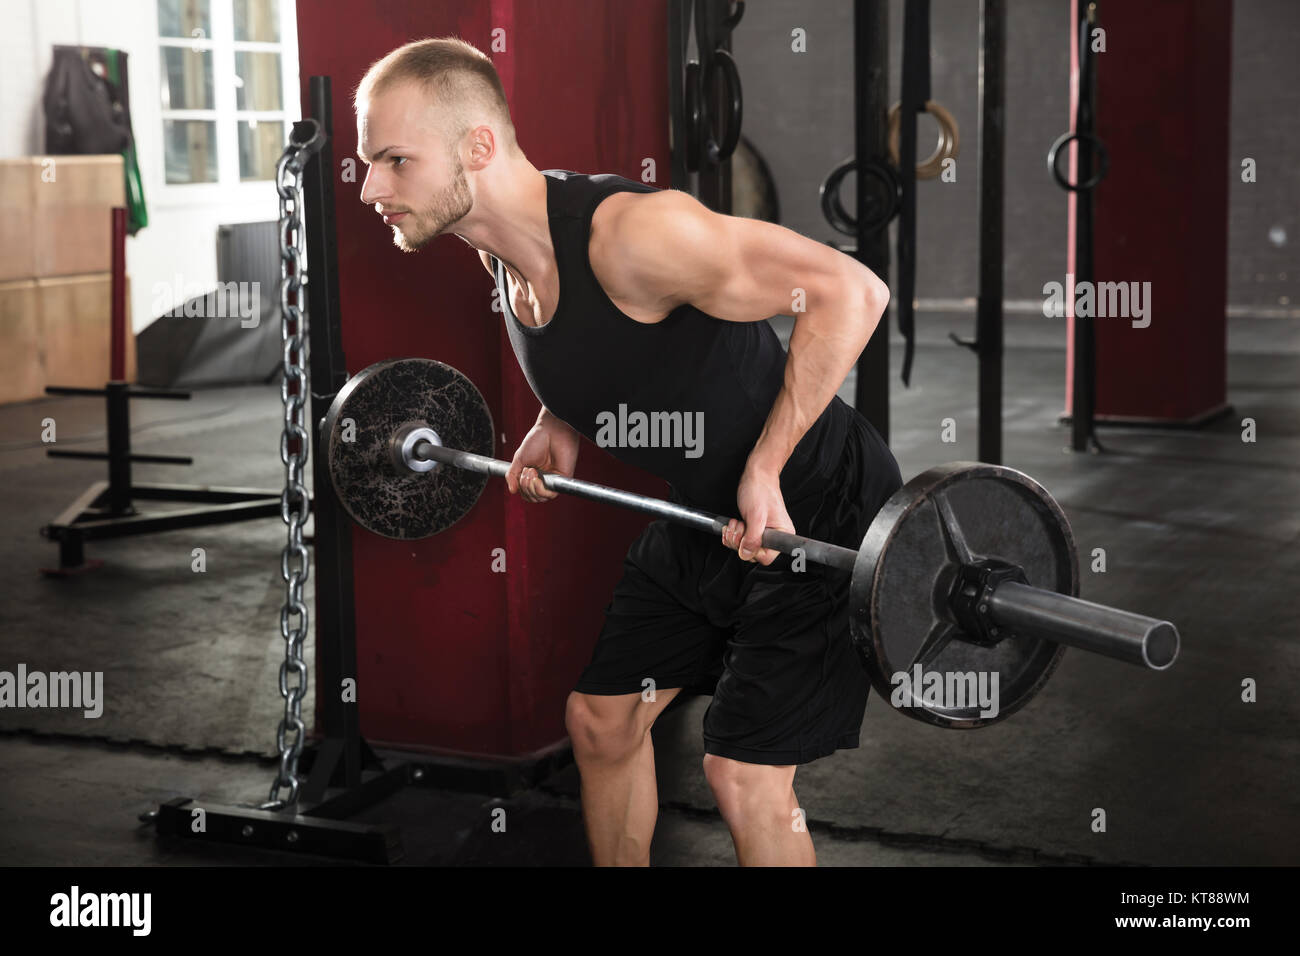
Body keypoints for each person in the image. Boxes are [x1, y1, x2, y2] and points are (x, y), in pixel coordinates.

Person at [354, 37, 902, 866]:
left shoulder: (636, 236)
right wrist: (560, 418)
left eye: (395, 160)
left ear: (478, 147)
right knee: (602, 722)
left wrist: (764, 469)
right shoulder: (496, 245)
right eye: (371, 162)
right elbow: (600, 340)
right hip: (704, 511)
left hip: (818, 505)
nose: (370, 187)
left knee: (743, 777)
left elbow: (851, 291)